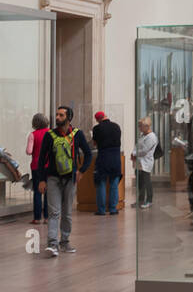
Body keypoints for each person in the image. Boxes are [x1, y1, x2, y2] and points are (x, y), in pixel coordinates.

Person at [37, 105, 92, 257]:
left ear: (69, 117)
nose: (57, 118)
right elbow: (42, 159)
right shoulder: (50, 135)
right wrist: (42, 180)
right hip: (53, 178)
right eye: (56, 115)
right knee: (54, 212)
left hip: (70, 178)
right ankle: (52, 244)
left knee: (67, 212)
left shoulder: (77, 134)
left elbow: (88, 154)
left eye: (61, 115)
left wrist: (82, 171)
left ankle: (65, 242)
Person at [92, 110, 123, 215]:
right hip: (115, 157)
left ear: (97, 119)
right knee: (114, 183)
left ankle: (101, 210)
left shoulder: (97, 128)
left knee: (101, 182)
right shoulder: (116, 126)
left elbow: (95, 143)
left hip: (103, 156)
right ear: (105, 116)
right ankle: (113, 209)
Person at [26, 112, 49, 224]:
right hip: (49, 166)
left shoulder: (32, 135)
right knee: (48, 191)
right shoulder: (51, 133)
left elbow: (29, 151)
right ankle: (47, 217)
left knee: (37, 191)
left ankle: (37, 218)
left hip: (36, 166)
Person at [131, 117, 158, 208]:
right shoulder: (142, 135)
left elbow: (145, 150)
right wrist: (133, 153)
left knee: (147, 182)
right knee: (140, 183)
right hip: (139, 162)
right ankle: (141, 200)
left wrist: (135, 154)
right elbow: (137, 146)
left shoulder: (151, 137)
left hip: (146, 162)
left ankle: (149, 200)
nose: (139, 128)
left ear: (147, 126)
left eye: (141, 126)